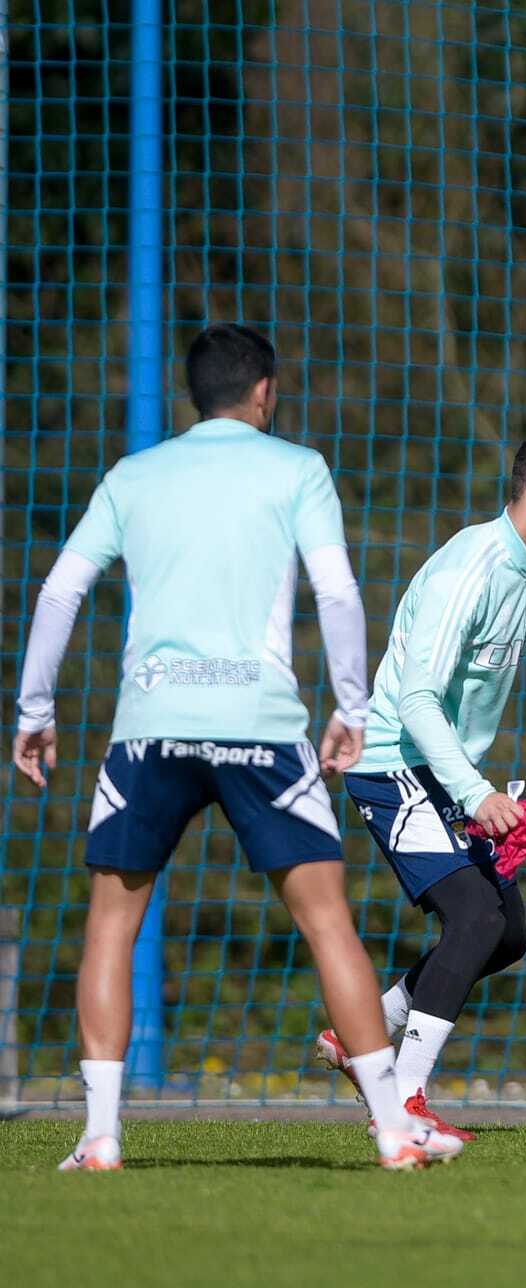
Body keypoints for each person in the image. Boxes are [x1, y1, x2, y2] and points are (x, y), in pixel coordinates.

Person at [12, 324, 459, 1171]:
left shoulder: (133, 477)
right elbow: (336, 588)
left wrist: (35, 710)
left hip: (150, 729)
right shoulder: (297, 469)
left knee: (111, 925)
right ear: (264, 391)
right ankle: (393, 1129)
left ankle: (100, 1135)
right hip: (258, 724)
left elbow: (63, 588)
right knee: (326, 920)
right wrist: (352, 706)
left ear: (195, 396)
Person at [314, 429, 526, 1141]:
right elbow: (416, 700)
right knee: (473, 917)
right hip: (392, 764)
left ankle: (365, 1033)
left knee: (506, 936)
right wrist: (476, 794)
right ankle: (403, 1098)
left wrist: (473, 783)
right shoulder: (468, 571)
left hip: (442, 769)